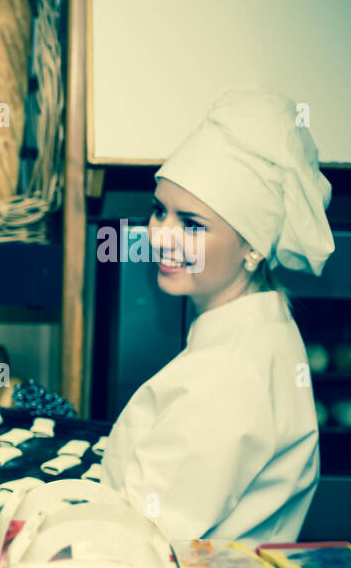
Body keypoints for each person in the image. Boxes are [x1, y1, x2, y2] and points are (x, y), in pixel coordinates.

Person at [99, 88, 333, 543]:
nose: (161, 237)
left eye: (192, 224)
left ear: (254, 247)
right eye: (159, 210)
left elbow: (142, 543)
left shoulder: (227, 376)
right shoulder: (262, 330)